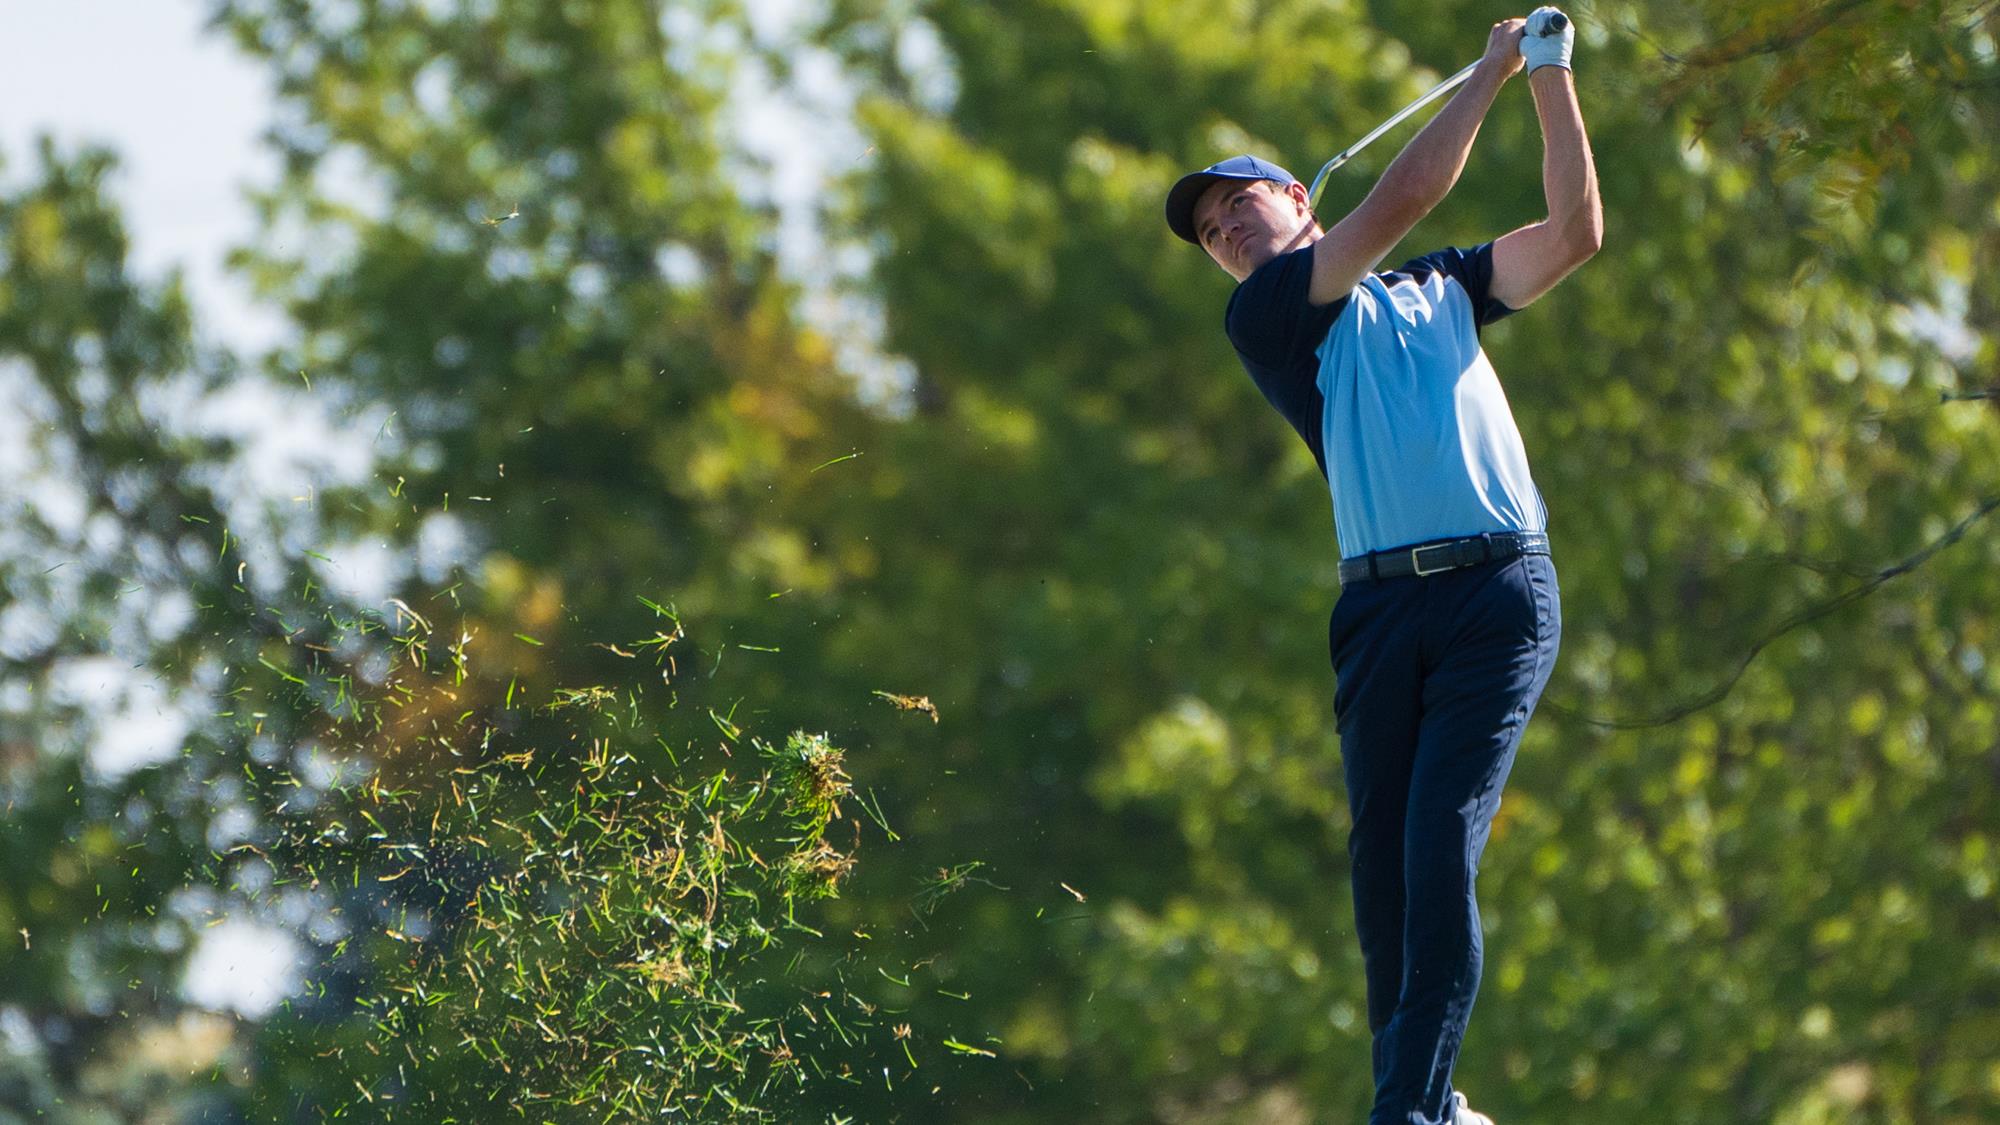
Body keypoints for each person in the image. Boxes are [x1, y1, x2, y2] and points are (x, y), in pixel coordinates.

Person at [1162, 9, 1600, 1125]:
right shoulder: (1267, 316)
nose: (1224, 231)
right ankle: (1428, 1105)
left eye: (1237, 204)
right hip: (1376, 613)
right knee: (1380, 879)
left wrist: (1545, 74)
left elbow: (1573, 232)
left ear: (1296, 198)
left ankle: (1407, 1112)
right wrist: (1488, 72)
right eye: (1210, 228)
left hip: (1495, 594)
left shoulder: (1442, 290)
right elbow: (1398, 201)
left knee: (1432, 845)